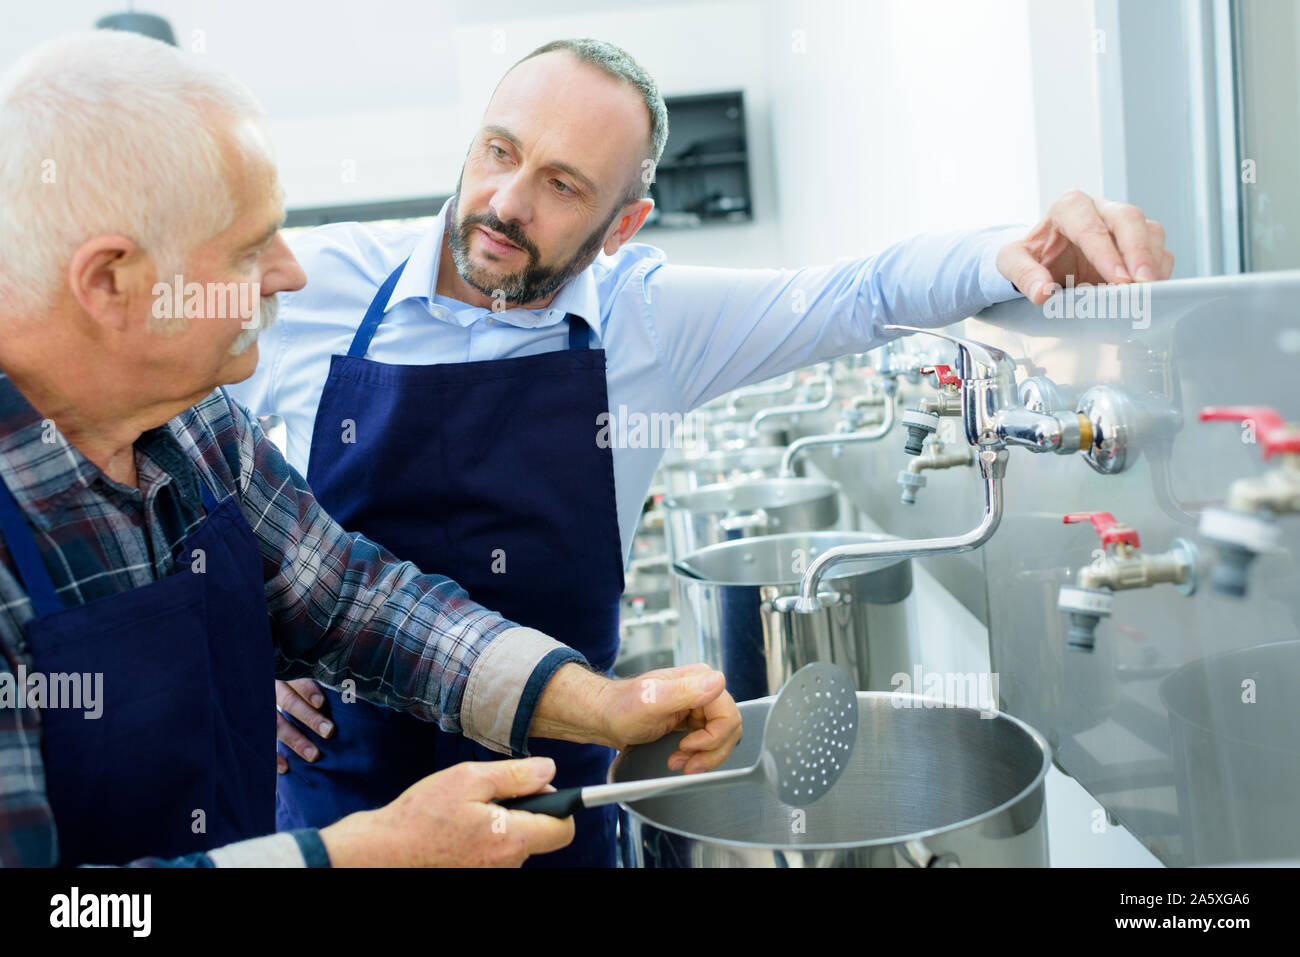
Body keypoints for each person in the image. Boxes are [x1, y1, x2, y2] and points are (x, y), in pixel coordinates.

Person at [232, 37, 1173, 867]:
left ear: (622, 228)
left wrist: (1017, 251)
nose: (505, 203)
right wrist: (243, 638)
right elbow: (173, 453)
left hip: (565, 796)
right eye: (499, 151)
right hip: (346, 802)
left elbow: (858, 293)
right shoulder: (314, 283)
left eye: (562, 185)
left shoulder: (648, 322)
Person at [0, 30, 740, 868]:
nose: (291, 273)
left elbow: (355, 601)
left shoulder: (194, 427)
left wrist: (602, 705)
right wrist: (360, 855)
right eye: (251, 251)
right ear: (110, 282)